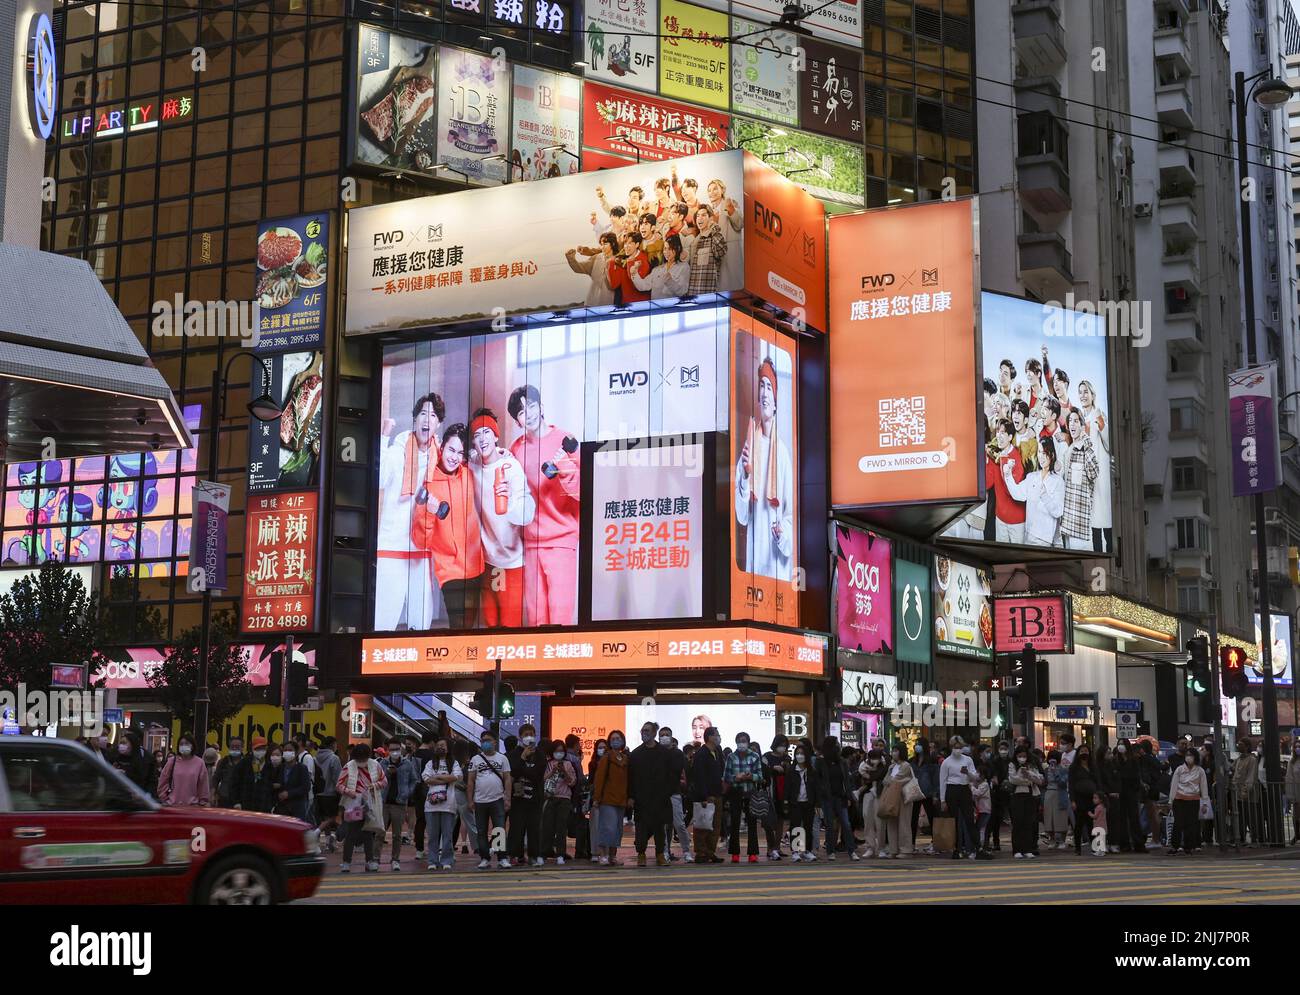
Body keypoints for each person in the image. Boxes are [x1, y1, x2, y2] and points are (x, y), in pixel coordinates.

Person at [508, 384, 580, 626]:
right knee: (536, 619)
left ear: (540, 407)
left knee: (560, 619)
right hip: (531, 543)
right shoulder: (515, 449)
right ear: (517, 421)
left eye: (530, 406)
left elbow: (583, 491)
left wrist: (565, 473)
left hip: (561, 539)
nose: (527, 413)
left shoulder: (565, 440)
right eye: (520, 412)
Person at [376, 392, 444, 630]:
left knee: (421, 619)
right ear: (414, 419)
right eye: (423, 414)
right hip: (392, 544)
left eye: (433, 415)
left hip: (422, 545)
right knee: (385, 617)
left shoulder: (441, 455)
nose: (427, 419)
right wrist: (384, 437)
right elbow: (381, 479)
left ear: (438, 423)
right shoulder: (400, 448)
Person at [410, 422, 485, 629]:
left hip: (475, 566)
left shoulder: (470, 475)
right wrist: (430, 513)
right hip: (449, 571)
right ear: (442, 447)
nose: (454, 457)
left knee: (468, 627)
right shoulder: (429, 483)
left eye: (460, 453)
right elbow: (420, 540)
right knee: (459, 625)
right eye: (451, 450)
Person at [469, 408, 536, 628]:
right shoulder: (473, 466)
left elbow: (527, 513)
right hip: (486, 561)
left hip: (512, 562)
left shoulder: (511, 467)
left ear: (496, 436)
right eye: (477, 435)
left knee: (510, 626)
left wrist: (509, 504)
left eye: (487, 432)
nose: (482, 439)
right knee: (490, 623)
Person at [735, 356, 793, 582]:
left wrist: (782, 533)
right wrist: (746, 476)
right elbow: (741, 515)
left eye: (769, 387)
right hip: (754, 561)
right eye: (762, 386)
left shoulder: (784, 456)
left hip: (777, 563)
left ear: (775, 399)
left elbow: (789, 514)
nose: (765, 393)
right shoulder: (749, 447)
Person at [1003, 435, 1065, 546]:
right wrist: (1008, 475)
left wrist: (1045, 495)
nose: (1041, 457)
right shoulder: (1032, 477)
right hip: (1029, 535)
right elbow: (1017, 494)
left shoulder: (1058, 481)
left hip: (1045, 540)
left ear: (1052, 454)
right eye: (1039, 452)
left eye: (1044, 453)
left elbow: (1058, 511)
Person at [628, 721, 673, 867]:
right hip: (642, 797)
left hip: (660, 797)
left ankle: (660, 854)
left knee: (660, 828)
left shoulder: (664, 753)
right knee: (641, 828)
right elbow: (631, 777)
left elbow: (670, 775)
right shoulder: (635, 754)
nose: (644, 733)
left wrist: (668, 792)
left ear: (654, 733)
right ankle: (641, 854)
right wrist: (631, 796)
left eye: (647, 731)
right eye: (642, 731)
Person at [338, 743, 386, 873]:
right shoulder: (348, 767)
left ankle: (369, 861)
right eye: (359, 760)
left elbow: (384, 781)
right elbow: (339, 785)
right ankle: (346, 862)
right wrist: (349, 792)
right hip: (353, 805)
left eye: (364, 759)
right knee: (351, 833)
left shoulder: (375, 765)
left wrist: (374, 785)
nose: (362, 762)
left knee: (368, 834)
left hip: (370, 805)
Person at [468, 731, 512, 869]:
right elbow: (470, 780)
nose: (485, 743)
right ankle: (484, 858)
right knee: (481, 831)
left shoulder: (502, 759)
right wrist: (470, 800)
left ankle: (502, 858)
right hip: (480, 800)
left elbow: (507, 779)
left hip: (497, 799)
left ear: (495, 742)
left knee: (499, 829)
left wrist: (507, 798)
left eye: (488, 740)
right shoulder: (475, 759)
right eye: (482, 740)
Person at [722, 731, 765, 864]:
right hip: (735, 792)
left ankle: (752, 853)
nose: (742, 743)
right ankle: (735, 853)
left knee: (752, 823)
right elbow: (726, 776)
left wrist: (751, 776)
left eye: (744, 740)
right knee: (734, 822)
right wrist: (736, 778)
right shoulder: (731, 757)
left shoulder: (755, 756)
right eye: (740, 740)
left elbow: (760, 776)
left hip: (750, 792)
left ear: (748, 742)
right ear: (736, 742)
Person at [507, 724, 546, 867]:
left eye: (531, 733)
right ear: (520, 736)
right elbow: (513, 772)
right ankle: (515, 855)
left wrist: (522, 769)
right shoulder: (514, 754)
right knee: (517, 827)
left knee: (534, 828)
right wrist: (523, 758)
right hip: (518, 798)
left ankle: (534, 855)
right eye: (526, 734)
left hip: (535, 798)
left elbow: (537, 775)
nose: (529, 736)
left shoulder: (540, 754)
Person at [1061, 408, 1099, 551]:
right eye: (1070, 421)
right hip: (1066, 524)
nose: (1072, 424)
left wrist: (1086, 442)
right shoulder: (1069, 450)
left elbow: (1094, 472)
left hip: (1080, 526)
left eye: (1076, 421)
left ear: (1082, 426)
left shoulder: (1086, 448)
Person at [592, 729, 630, 866]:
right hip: (607, 800)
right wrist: (597, 798)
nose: (615, 741)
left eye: (618, 738)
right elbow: (599, 779)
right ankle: (603, 855)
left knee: (617, 829)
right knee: (607, 828)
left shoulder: (625, 759)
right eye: (613, 738)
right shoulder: (606, 758)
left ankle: (613, 856)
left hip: (621, 800)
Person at [939, 737, 982, 859]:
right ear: (951, 747)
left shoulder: (968, 760)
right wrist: (942, 800)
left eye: (959, 747)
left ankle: (977, 847)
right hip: (951, 790)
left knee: (969, 819)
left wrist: (967, 773)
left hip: (964, 789)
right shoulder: (946, 762)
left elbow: (975, 777)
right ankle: (956, 849)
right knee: (954, 822)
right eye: (955, 747)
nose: (957, 750)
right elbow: (942, 781)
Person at [421, 739, 461, 871]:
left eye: (443, 745)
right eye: (438, 746)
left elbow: (456, 777)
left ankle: (446, 860)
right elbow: (426, 778)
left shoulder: (454, 763)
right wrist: (445, 777)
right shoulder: (430, 763)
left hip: (449, 805)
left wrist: (436, 778)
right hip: (431, 805)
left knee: (447, 835)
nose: (440, 748)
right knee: (432, 835)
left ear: (448, 748)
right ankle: (432, 861)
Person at [688, 726, 726, 863]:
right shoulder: (702, 754)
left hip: (717, 794)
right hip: (706, 796)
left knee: (715, 826)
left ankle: (710, 851)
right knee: (703, 825)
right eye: (717, 734)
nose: (719, 737)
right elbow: (699, 777)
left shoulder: (717, 752)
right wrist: (704, 796)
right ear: (710, 737)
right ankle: (701, 853)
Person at [380, 738, 418, 871]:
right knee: (379, 832)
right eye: (392, 749)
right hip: (384, 802)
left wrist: (407, 792)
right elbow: (378, 779)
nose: (394, 752)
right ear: (387, 750)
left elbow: (414, 780)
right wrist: (388, 774)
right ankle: (375, 859)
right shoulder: (383, 763)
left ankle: (395, 859)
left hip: (399, 803)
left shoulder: (407, 764)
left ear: (400, 749)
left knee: (397, 834)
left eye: (396, 749)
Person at [540, 739, 578, 864]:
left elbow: (572, 782)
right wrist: (552, 771)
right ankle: (544, 853)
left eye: (561, 751)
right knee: (547, 827)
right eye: (556, 751)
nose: (559, 753)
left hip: (564, 799)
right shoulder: (548, 764)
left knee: (561, 828)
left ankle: (560, 854)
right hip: (549, 798)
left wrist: (564, 772)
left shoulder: (568, 764)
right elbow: (542, 780)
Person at [817, 736, 855, 860]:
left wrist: (848, 796)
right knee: (830, 825)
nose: (838, 746)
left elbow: (847, 781)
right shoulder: (821, 762)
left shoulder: (842, 762)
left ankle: (851, 851)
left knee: (846, 824)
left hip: (841, 797)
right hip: (827, 798)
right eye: (836, 743)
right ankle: (830, 851)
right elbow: (818, 780)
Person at [879, 744, 917, 858]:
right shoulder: (892, 766)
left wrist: (891, 781)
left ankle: (905, 849)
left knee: (904, 823)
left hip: (903, 797)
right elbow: (886, 781)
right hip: (891, 797)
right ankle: (893, 849)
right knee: (891, 822)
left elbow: (895, 780)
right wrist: (890, 781)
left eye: (896, 751)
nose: (893, 753)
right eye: (892, 751)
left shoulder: (906, 765)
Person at [1169, 749, 1209, 855]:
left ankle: (1188, 846)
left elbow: (1204, 787)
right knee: (1178, 823)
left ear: (1195, 757)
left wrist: (1205, 802)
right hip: (1179, 799)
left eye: (1191, 755)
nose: (1188, 757)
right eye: (1187, 755)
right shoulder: (1180, 769)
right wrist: (1171, 800)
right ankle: (1175, 846)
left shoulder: (1200, 771)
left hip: (1193, 800)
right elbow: (1174, 785)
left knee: (1191, 824)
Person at [1006, 745, 1043, 858]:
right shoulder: (1012, 765)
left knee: (1029, 823)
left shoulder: (1031, 765)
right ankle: (1017, 850)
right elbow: (1013, 779)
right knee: (1018, 823)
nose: (1022, 758)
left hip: (1031, 795)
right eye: (1019, 756)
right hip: (1018, 796)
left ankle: (1028, 849)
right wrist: (1028, 780)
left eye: (1024, 756)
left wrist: (1029, 775)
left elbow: (1039, 779)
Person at [786, 743, 821, 861]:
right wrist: (787, 801)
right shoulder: (791, 770)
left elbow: (816, 788)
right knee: (796, 826)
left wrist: (817, 803)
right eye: (797, 754)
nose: (799, 756)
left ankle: (807, 850)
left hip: (808, 802)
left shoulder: (812, 771)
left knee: (808, 827)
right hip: (795, 802)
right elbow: (788, 788)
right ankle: (796, 852)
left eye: (802, 754)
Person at [630, 233, 690, 299]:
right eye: (665, 248)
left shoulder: (684, 267)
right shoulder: (657, 269)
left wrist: (669, 280)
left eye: (669, 249)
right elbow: (643, 286)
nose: (666, 252)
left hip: (672, 307)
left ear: (677, 249)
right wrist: (634, 274)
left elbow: (682, 291)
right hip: (655, 307)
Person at [157, 733, 209, 807]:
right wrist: (164, 798)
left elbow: (203, 785)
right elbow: (163, 781)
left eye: (187, 743)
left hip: (192, 807)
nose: (183, 746)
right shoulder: (172, 761)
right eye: (181, 744)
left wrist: (202, 802)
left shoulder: (199, 763)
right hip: (172, 805)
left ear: (192, 745)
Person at [762, 734, 789, 862]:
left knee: (780, 820)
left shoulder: (787, 758)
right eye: (780, 744)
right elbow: (762, 771)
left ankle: (777, 847)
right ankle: (770, 847)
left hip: (782, 792)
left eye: (784, 745)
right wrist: (773, 769)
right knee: (768, 821)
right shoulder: (766, 757)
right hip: (769, 791)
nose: (782, 747)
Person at [1069, 745, 1100, 855]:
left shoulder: (1093, 767)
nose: (1084, 753)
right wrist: (1072, 800)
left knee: (1091, 823)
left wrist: (1098, 796)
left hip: (1091, 798)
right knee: (1079, 824)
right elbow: (1071, 785)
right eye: (1082, 751)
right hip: (1079, 798)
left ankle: (1094, 846)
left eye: (1086, 751)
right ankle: (1078, 848)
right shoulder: (1073, 768)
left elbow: (1098, 782)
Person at [910, 739, 940, 851]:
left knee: (932, 818)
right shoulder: (912, 761)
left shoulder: (931, 762)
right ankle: (912, 844)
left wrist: (936, 794)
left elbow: (936, 779)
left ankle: (935, 842)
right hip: (915, 793)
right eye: (916, 744)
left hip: (928, 793)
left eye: (919, 744)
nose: (917, 747)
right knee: (913, 819)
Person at [314, 736, 342, 853]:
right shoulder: (334, 758)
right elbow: (338, 777)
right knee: (332, 817)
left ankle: (327, 842)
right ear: (332, 745)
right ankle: (317, 833)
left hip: (318, 792)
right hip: (331, 792)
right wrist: (340, 790)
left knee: (325, 817)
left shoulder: (315, 757)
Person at [273, 741, 312, 823]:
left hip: (297, 808)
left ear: (296, 752)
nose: (287, 752)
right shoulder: (280, 768)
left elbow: (306, 787)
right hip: (282, 808)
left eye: (290, 750)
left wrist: (289, 793)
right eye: (285, 750)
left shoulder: (302, 768)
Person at [857, 749, 886, 857]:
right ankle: (870, 846)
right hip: (868, 793)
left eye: (876, 758)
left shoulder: (884, 763)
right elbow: (863, 774)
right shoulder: (864, 764)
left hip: (879, 794)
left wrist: (871, 777)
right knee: (867, 820)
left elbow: (878, 776)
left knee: (880, 821)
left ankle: (881, 848)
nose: (874, 761)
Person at [1042, 750, 1070, 848]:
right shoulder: (1045, 769)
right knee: (1049, 817)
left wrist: (1056, 773)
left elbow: (1063, 783)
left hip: (1060, 793)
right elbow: (1043, 783)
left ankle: (1062, 840)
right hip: (1049, 793)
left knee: (1061, 817)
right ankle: (1052, 839)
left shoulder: (1063, 769)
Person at [210, 737, 242, 808]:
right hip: (223, 801)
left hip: (240, 802)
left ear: (242, 748)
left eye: (237, 747)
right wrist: (212, 794)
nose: (234, 748)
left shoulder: (246, 763)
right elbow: (216, 778)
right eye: (232, 746)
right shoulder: (223, 762)